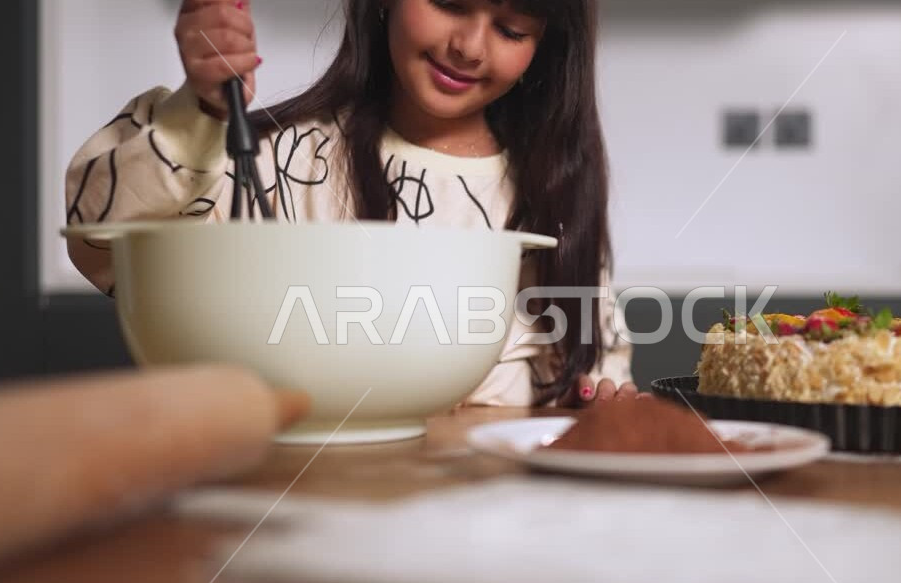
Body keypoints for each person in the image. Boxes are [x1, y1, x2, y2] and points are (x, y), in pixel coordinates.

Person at [66, 0, 639, 407]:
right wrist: (202, 117)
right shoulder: (276, 158)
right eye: (447, 2)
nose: (468, 46)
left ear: (546, 49)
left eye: (511, 29)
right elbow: (99, 241)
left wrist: (600, 402)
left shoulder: (552, 193)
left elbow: (593, 369)